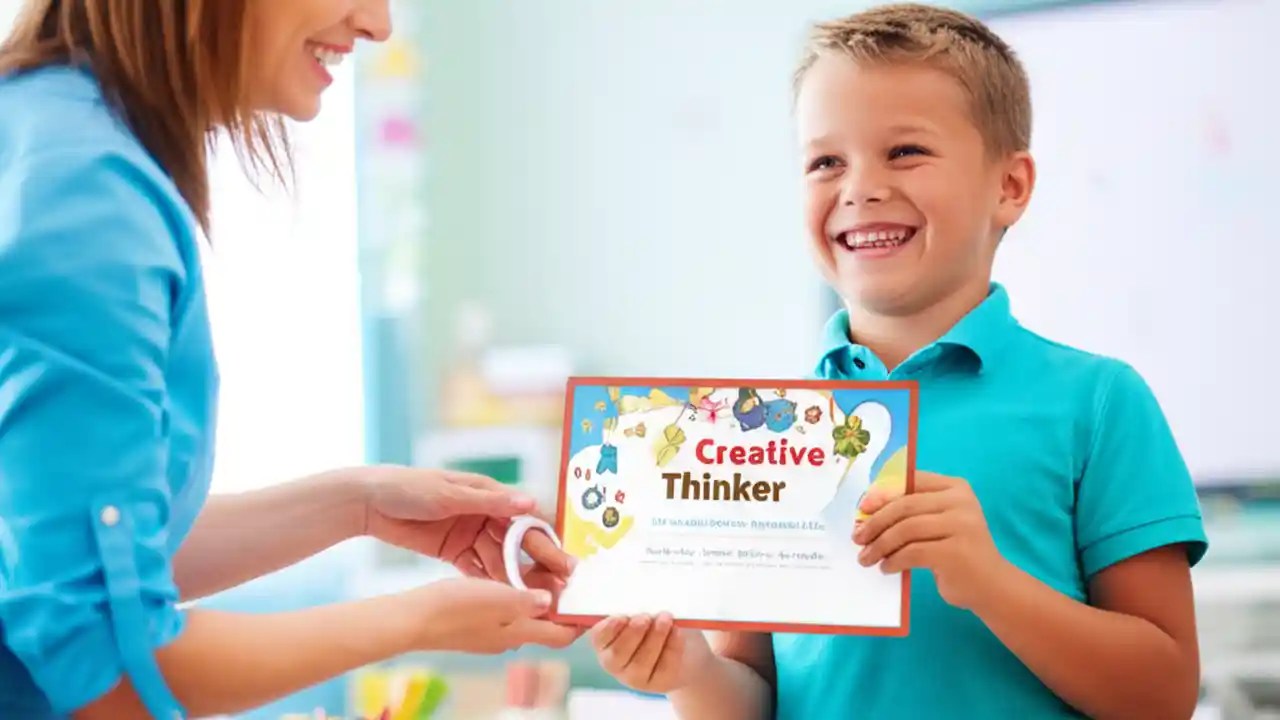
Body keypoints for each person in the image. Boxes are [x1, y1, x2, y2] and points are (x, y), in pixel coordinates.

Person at [586, 4, 1208, 719]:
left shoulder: (1098, 404)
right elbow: (752, 695)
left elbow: (1163, 699)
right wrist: (689, 673)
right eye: (825, 161)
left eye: (905, 151)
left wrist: (989, 582)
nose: (860, 187)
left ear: (1010, 187)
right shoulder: (756, 430)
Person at [0, 2, 579, 719]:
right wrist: (422, 622)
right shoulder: (86, 194)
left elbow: (65, 556)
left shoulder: (43, 133)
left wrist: (360, 503)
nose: (377, 23)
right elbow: (107, 665)